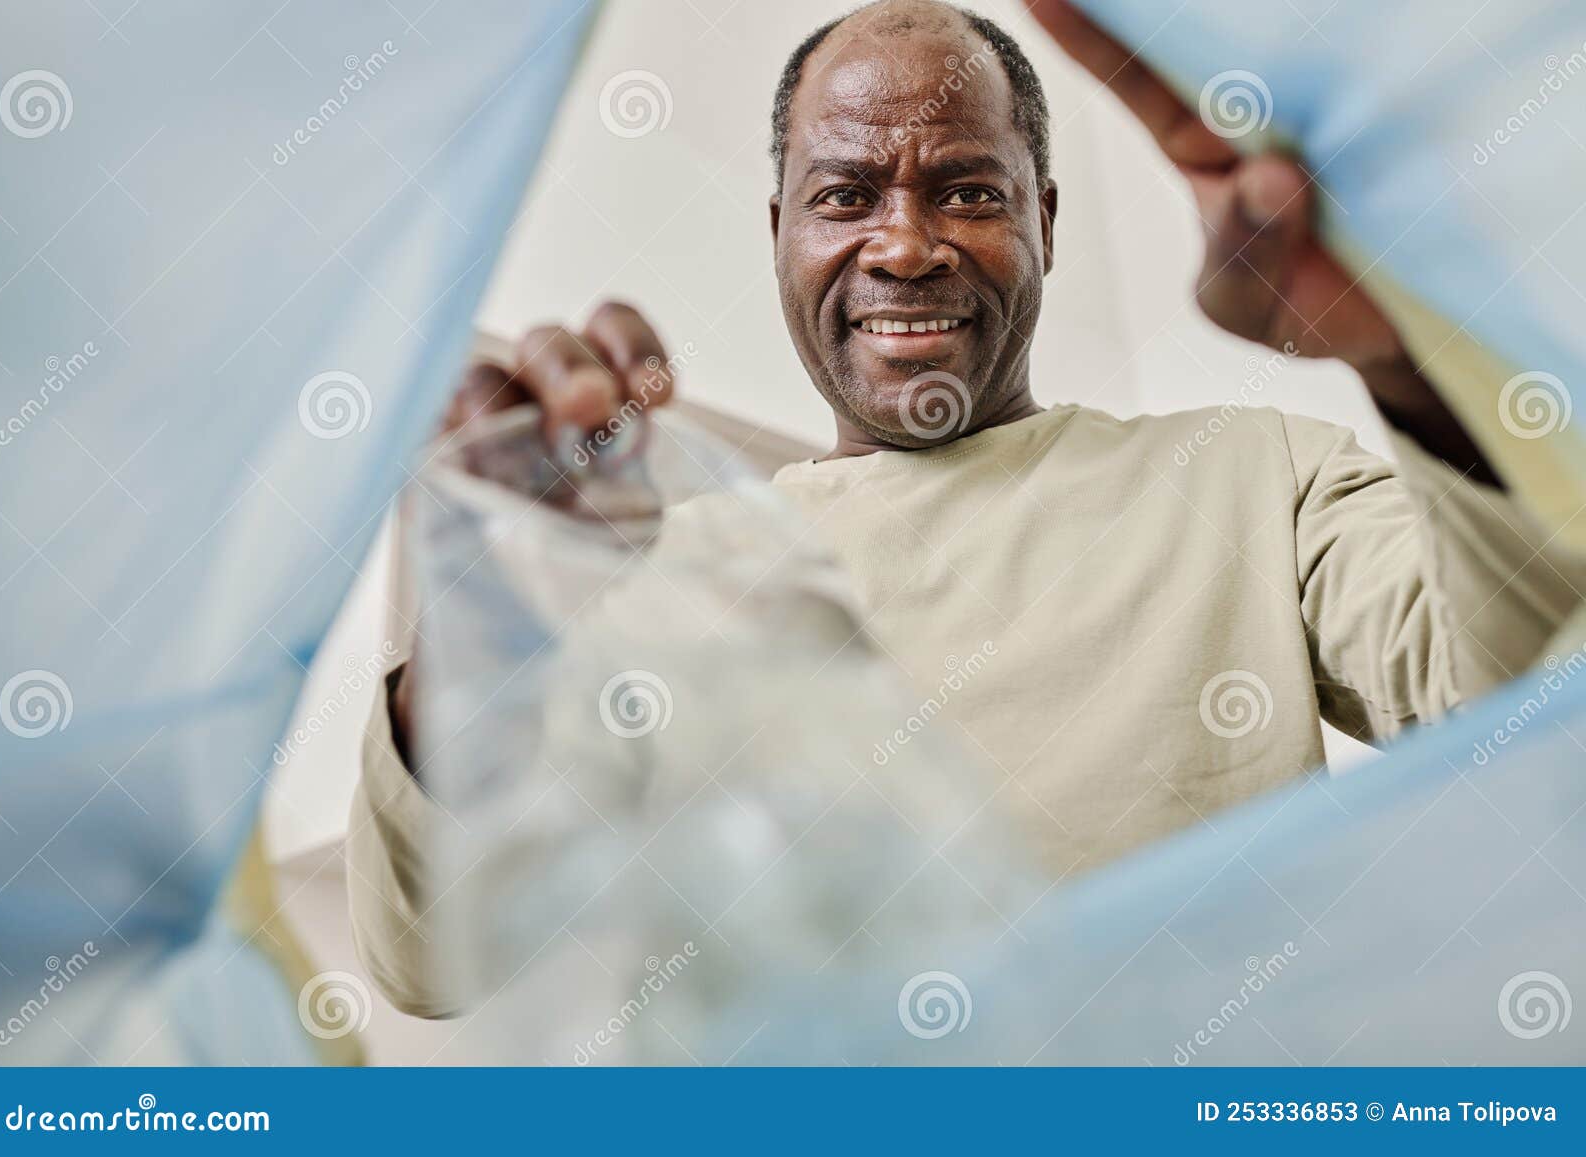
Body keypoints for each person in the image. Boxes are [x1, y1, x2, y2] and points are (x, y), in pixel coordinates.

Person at [346, 0, 1586, 1016]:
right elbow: (431, 959)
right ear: (778, 233)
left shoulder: (1257, 473)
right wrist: (478, 625)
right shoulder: (648, 569)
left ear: (1043, 221)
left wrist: (1410, 359)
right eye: (844, 197)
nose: (904, 245)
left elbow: (1516, 703)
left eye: (967, 192)